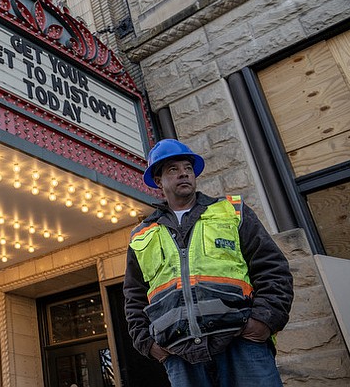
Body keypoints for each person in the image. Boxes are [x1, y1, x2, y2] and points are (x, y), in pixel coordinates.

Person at [123, 139, 294, 386]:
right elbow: (134, 296)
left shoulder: (231, 211)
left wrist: (264, 321)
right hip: (179, 355)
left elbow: (272, 268)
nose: (183, 173)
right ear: (158, 181)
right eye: (173, 169)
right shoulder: (142, 234)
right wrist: (148, 344)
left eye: (188, 168)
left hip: (241, 343)